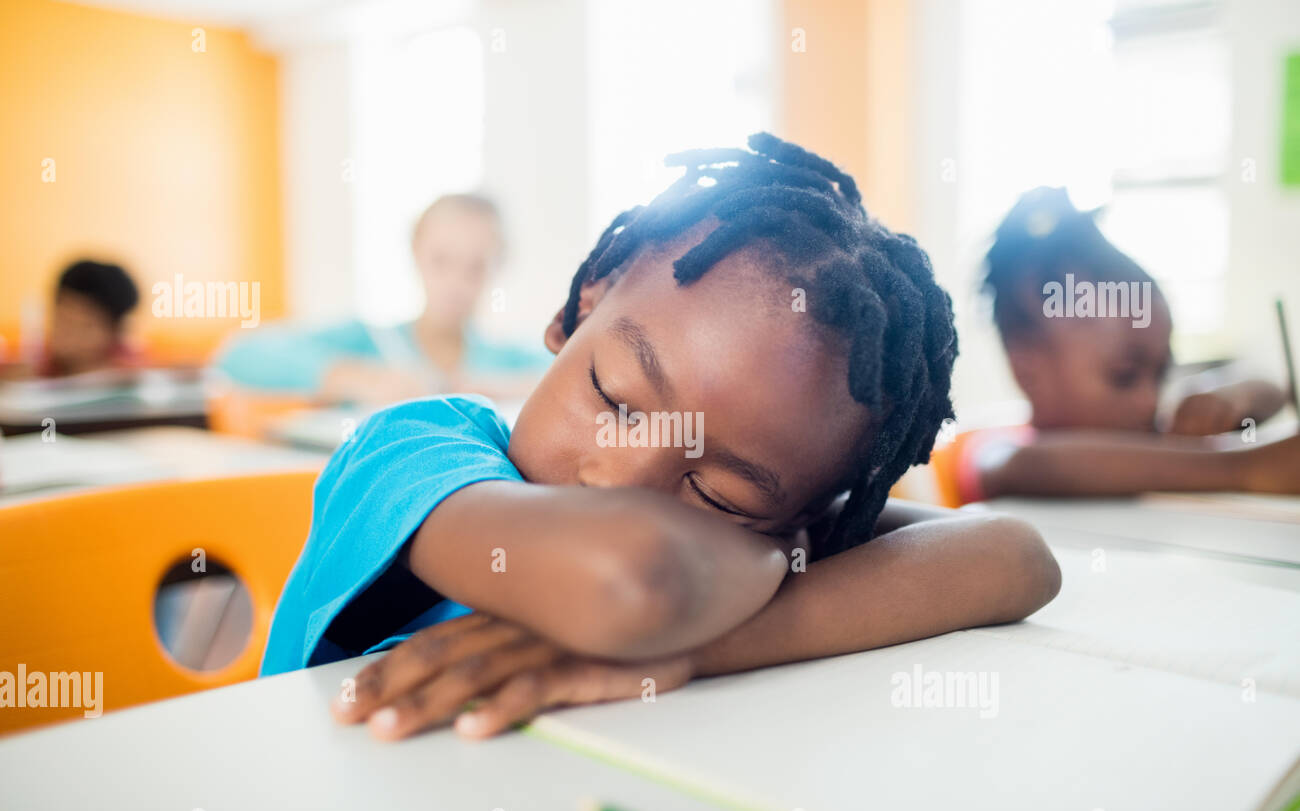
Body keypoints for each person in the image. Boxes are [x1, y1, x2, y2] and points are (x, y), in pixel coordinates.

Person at [261, 133, 1063, 743]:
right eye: (615, 398)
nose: (621, 478)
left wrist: (694, 649)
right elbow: (631, 575)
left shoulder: (775, 519)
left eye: (719, 492)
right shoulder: (412, 448)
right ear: (580, 304)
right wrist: (762, 555)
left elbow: (1016, 558)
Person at [931, 187, 1297, 504]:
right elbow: (1040, 466)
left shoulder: (1145, 430)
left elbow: (1270, 389)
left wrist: (1230, 398)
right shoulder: (1000, 453)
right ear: (1026, 365)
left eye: (1161, 373)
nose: (1151, 399)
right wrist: (1247, 467)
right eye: (1124, 376)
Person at [214, 193, 547, 404]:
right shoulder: (368, 342)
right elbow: (238, 354)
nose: (455, 283)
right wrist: (357, 379)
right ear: (416, 252)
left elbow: (572, 375)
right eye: (441, 261)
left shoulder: (505, 359)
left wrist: (495, 389)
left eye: (475, 268)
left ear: (498, 266)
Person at [39, 259, 141, 377]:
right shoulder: (37, 373)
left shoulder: (129, 379)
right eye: (62, 320)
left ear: (115, 331)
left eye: (84, 327)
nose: (67, 336)